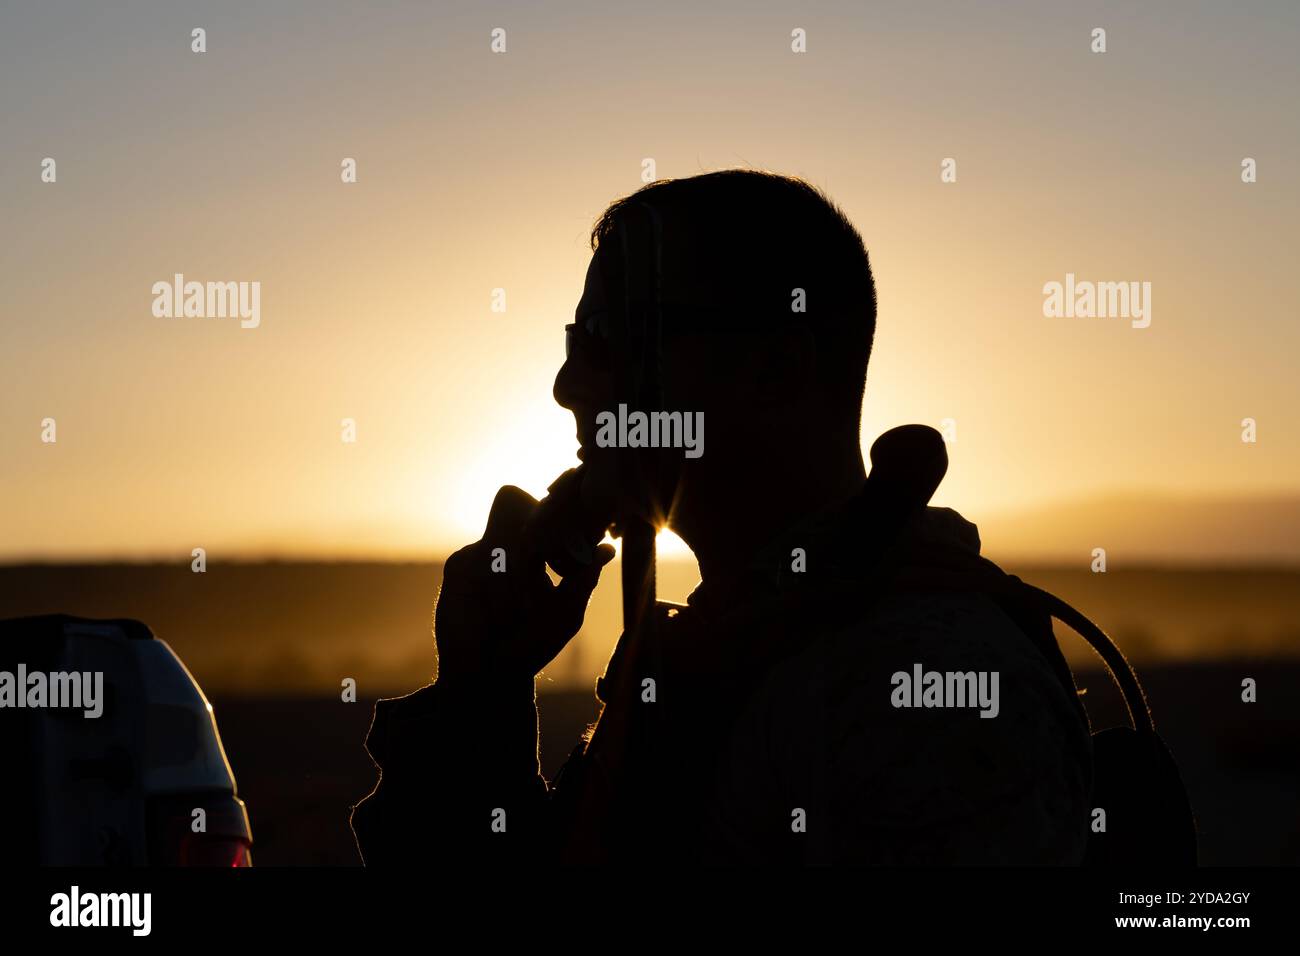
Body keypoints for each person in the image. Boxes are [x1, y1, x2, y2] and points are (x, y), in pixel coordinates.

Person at [350, 170, 1093, 864]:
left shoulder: (919, 685)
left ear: (775, 370)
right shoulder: (741, 645)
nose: (566, 385)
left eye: (612, 338)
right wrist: (483, 695)